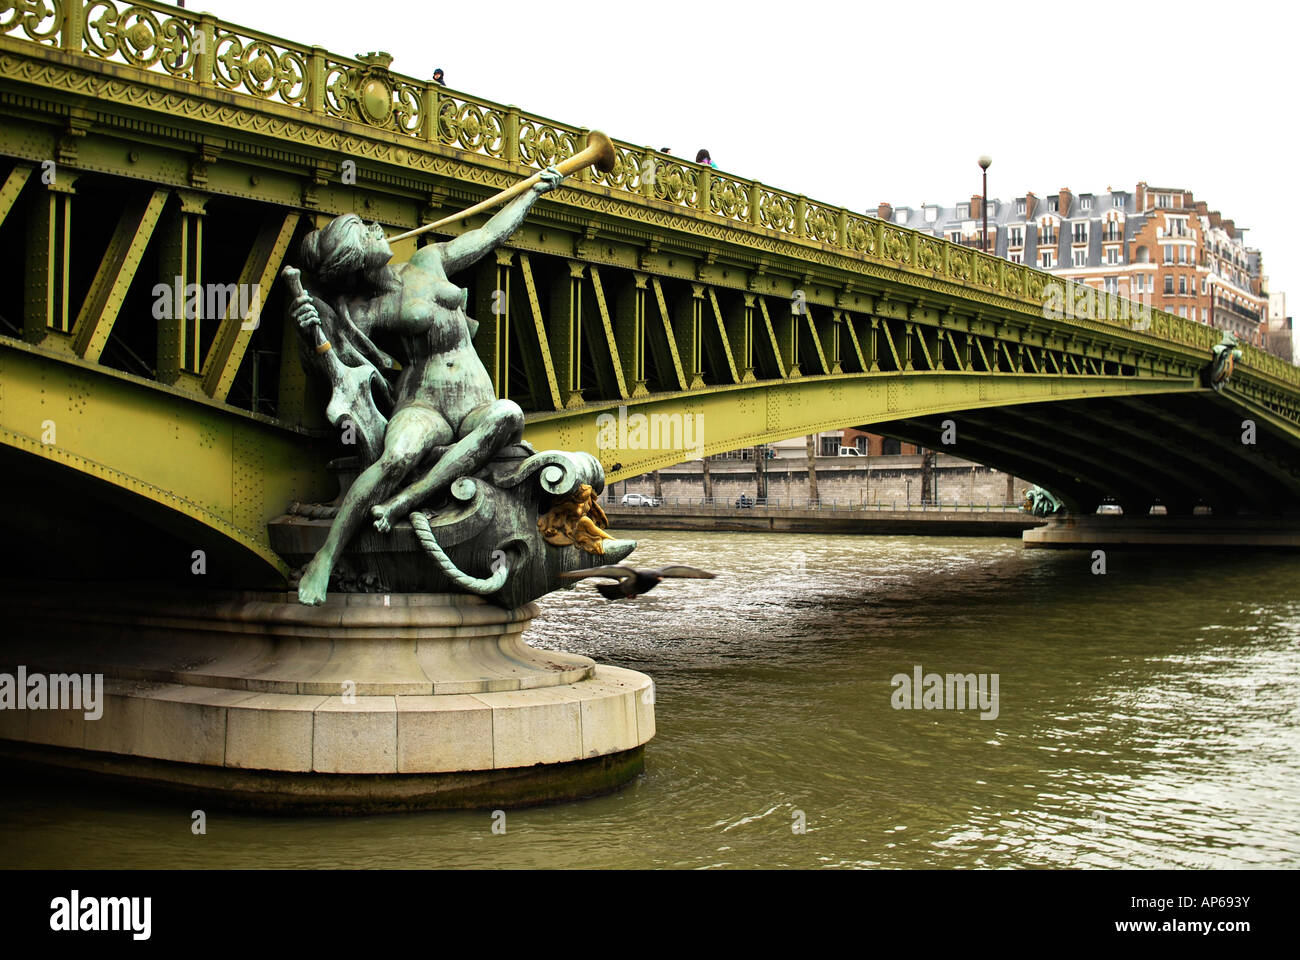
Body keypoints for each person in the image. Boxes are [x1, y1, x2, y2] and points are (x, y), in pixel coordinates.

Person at [290, 166, 565, 605]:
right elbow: (335, 371)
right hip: (424, 403)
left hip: (476, 398)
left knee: (508, 415)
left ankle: (403, 503)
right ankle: (325, 557)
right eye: (365, 230)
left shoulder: (428, 259)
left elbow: (489, 235)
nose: (378, 227)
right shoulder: (364, 311)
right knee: (396, 456)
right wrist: (310, 337)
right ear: (355, 260)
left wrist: (532, 192)